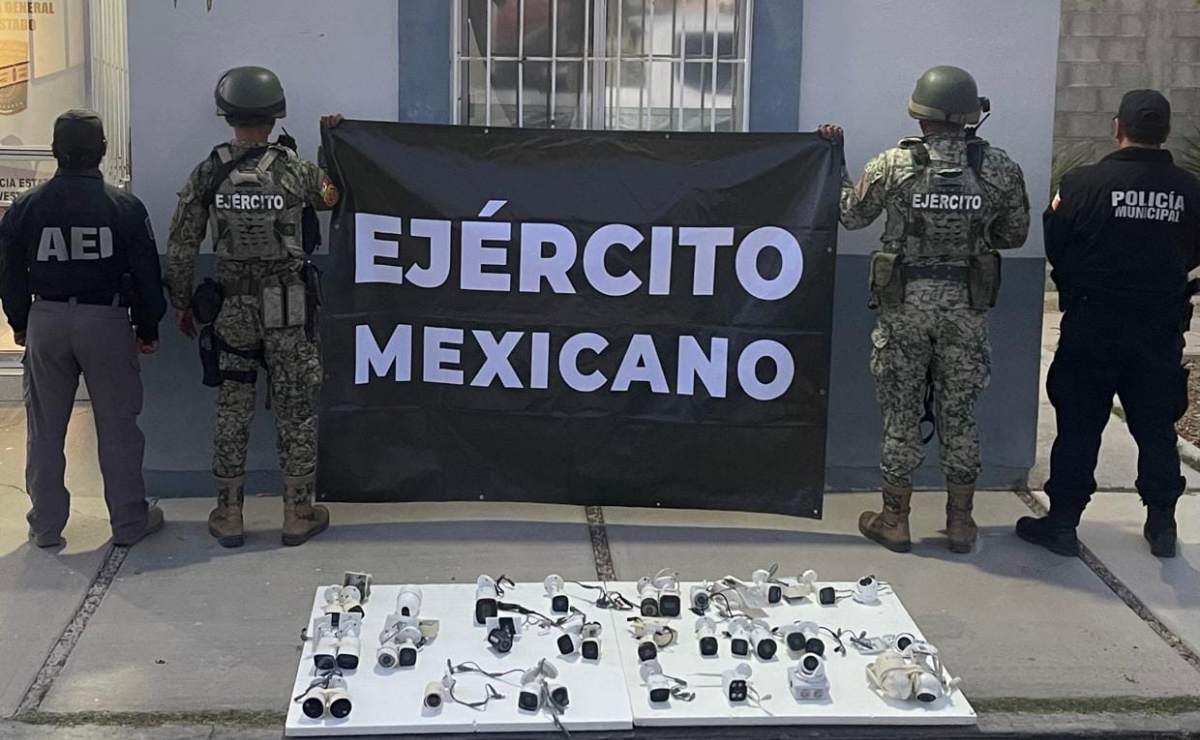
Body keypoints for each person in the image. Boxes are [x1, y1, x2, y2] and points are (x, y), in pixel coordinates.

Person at [820, 65, 1030, 554]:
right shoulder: (999, 167)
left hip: (904, 310)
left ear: (921, 114)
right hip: (966, 312)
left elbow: (850, 214)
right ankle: (960, 523)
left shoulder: (894, 164)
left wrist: (835, 160)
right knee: (960, 415)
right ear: (970, 114)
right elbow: (1014, 234)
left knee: (900, 414)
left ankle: (895, 520)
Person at [1017, 90, 1200, 559]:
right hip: (1158, 327)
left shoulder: (1082, 183)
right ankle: (1162, 524)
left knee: (1079, 425)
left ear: (1117, 127)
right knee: (1155, 425)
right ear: (1165, 131)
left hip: (1092, 323)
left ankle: (1062, 523)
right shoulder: (1191, 190)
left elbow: (1057, 243)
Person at [166, 66, 340, 548]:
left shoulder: (209, 170)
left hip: (232, 309)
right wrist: (333, 143)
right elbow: (334, 196)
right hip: (288, 307)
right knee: (296, 408)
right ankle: (297, 513)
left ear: (227, 115)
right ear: (275, 114)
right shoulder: (294, 170)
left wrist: (181, 302)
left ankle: (229, 514)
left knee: (232, 406)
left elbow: (181, 244)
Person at [0, 109, 167, 548]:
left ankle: (46, 527)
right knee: (118, 427)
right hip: (106, 322)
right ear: (103, 151)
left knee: (45, 429)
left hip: (47, 318)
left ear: (55, 150)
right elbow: (146, 275)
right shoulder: (125, 207)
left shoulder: (26, 207)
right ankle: (128, 522)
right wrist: (148, 327)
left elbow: (10, 273)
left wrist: (20, 321)